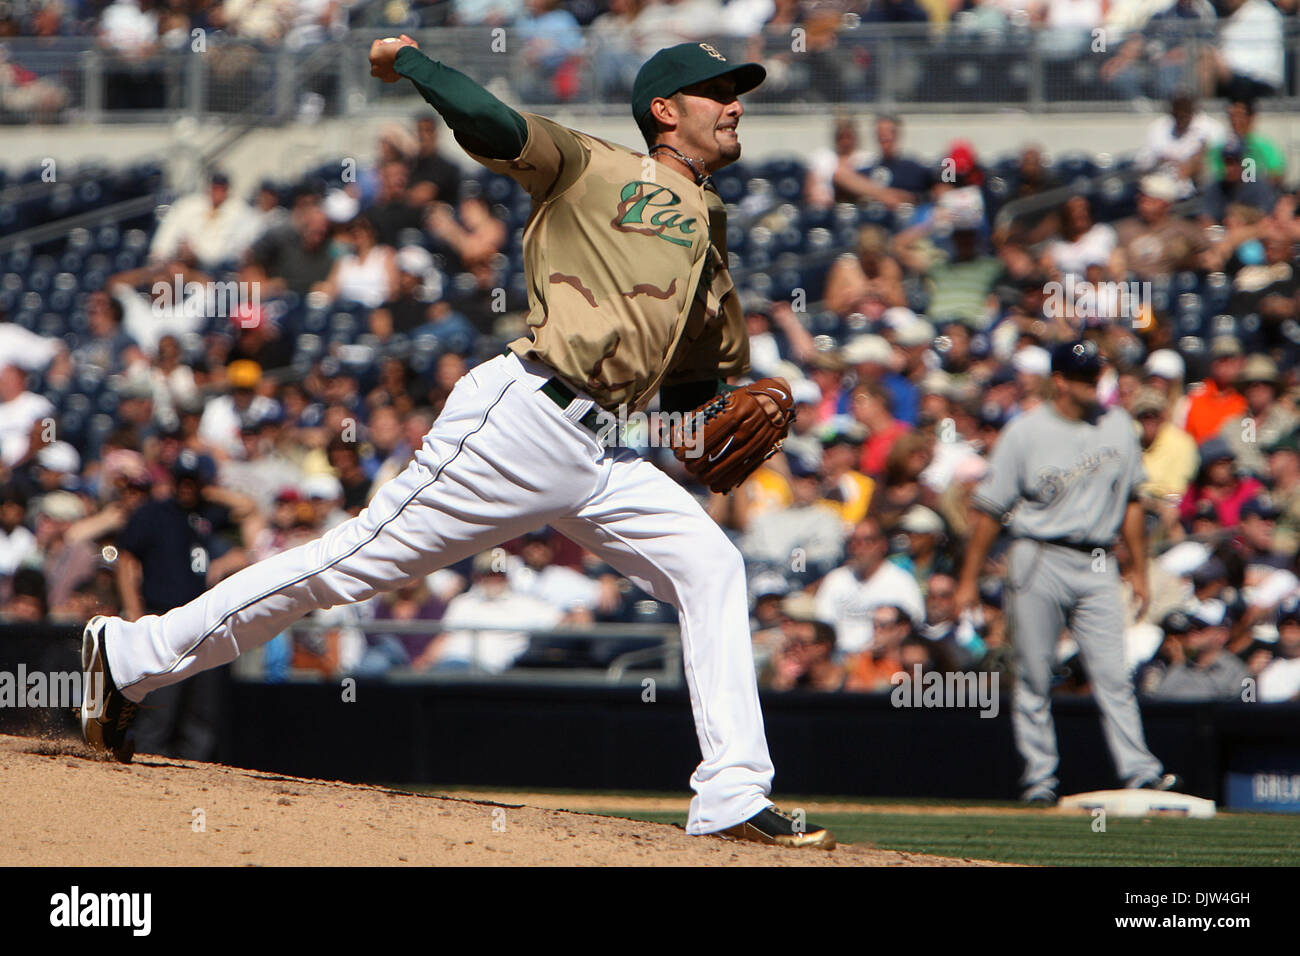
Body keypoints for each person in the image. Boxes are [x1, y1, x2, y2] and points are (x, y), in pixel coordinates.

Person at [80, 37, 834, 850]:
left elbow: (694, 378)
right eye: (718, 90)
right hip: (522, 418)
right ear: (665, 109)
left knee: (712, 565)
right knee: (347, 567)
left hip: (603, 453)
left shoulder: (707, 223)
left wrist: (706, 422)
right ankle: (131, 653)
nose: (735, 104)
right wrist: (415, 64)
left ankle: (730, 795)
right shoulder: (593, 164)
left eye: (737, 91)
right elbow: (495, 124)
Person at [956, 340, 1181, 804]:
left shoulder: (1118, 424)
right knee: (1035, 675)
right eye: (1082, 375)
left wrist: (1139, 569)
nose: (1093, 382)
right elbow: (989, 510)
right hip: (1038, 555)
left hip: (1099, 559)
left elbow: (1134, 502)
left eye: (1096, 374)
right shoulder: (1025, 432)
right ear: (1059, 380)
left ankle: (1140, 771)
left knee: (1113, 673)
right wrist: (967, 579)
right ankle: (1040, 781)